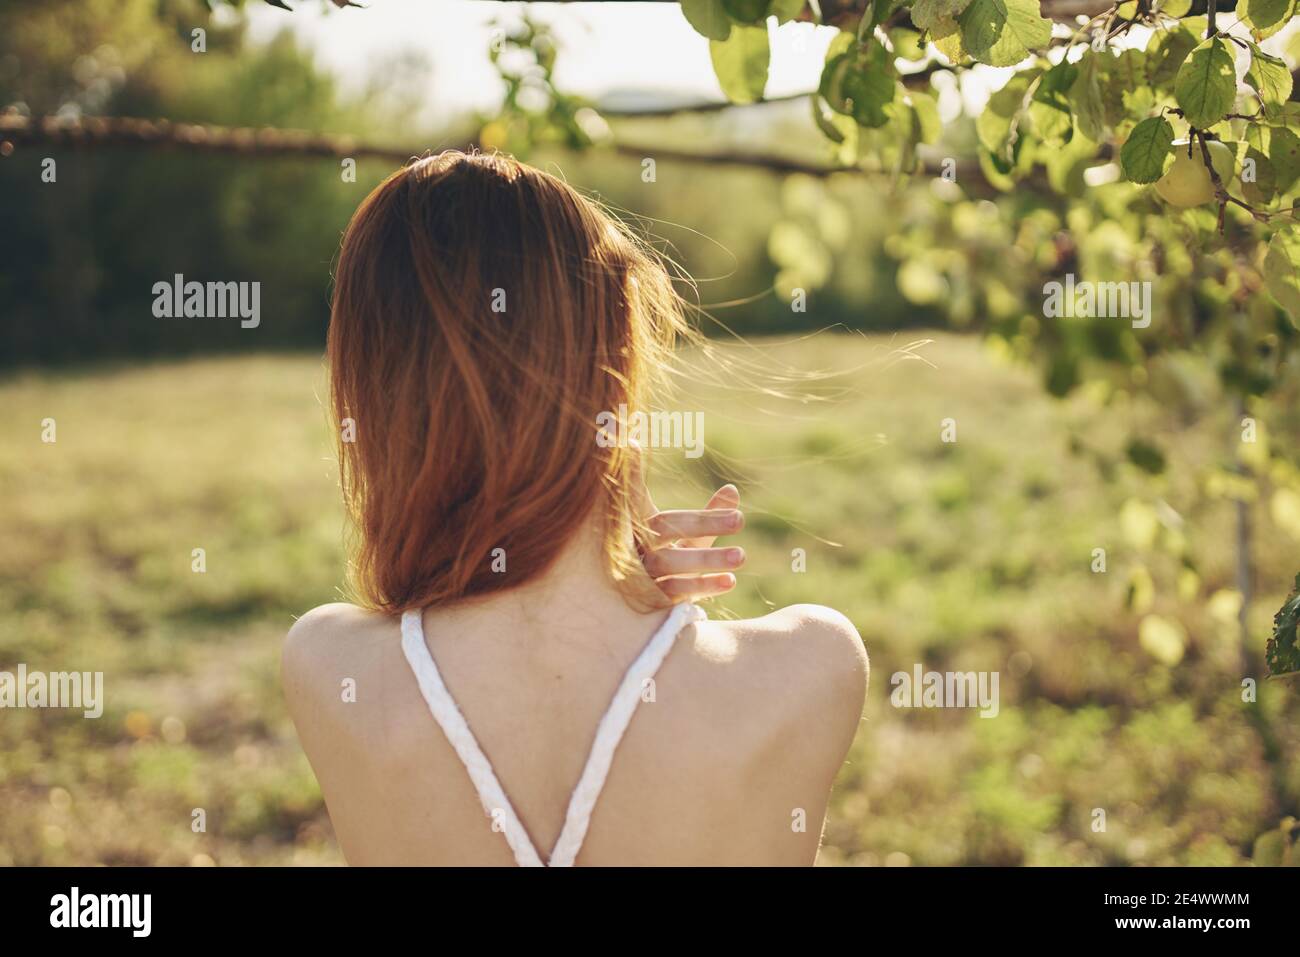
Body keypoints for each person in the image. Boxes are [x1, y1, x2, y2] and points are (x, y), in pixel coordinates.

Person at [282, 151, 867, 866]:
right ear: (614, 374)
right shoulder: (812, 668)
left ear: (376, 398)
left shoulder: (326, 665)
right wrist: (638, 587)